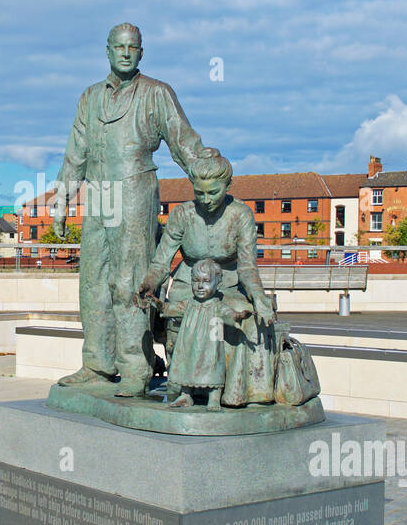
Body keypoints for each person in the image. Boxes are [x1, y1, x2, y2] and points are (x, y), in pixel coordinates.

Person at [51, 23, 209, 397]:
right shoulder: (90, 97)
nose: (125, 53)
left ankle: (136, 366)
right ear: (107, 51)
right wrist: (62, 201)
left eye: (132, 47)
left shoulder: (157, 93)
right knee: (93, 282)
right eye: (118, 47)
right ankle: (97, 364)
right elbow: (76, 153)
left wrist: (208, 184)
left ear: (141, 52)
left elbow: (184, 143)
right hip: (99, 195)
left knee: (130, 282)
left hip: (135, 191)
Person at [135, 149, 277, 406]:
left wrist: (259, 297)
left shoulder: (241, 215)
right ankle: (183, 386)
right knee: (177, 319)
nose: (206, 199)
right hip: (188, 283)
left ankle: (226, 387)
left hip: (228, 284)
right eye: (199, 193)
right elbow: (161, 261)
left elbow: (247, 267)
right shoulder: (182, 215)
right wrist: (148, 284)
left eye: (213, 192)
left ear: (228, 185)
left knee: (238, 316)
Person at [156, 259, 251, 409]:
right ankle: (186, 395)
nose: (200, 286)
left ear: (217, 283)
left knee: (214, 365)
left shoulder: (217, 305)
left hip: (211, 343)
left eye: (206, 281)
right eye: (195, 281)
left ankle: (214, 397)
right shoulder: (189, 303)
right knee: (186, 364)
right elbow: (173, 308)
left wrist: (237, 316)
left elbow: (228, 313)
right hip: (189, 343)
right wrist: (161, 305)